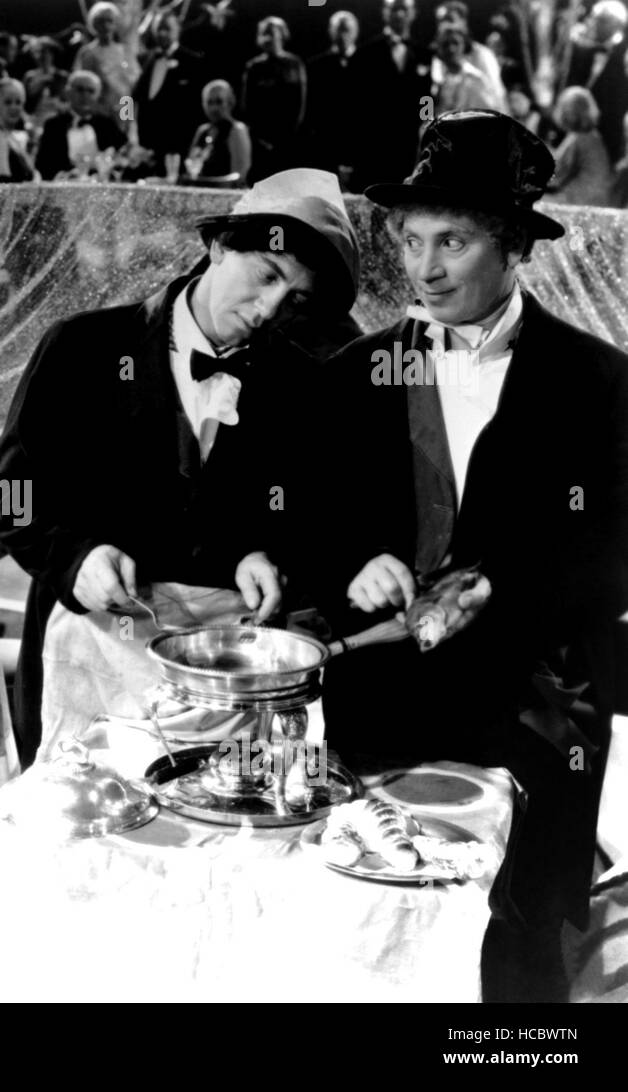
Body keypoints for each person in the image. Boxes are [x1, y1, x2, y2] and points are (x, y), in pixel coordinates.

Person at [319, 110, 628, 1002]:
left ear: (515, 248)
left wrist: (503, 588)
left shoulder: (597, 381)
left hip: (529, 712)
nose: (424, 268)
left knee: (513, 958)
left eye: (451, 240)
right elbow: (312, 520)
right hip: (380, 709)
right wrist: (356, 558)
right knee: (375, 936)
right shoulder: (358, 374)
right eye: (411, 240)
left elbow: (615, 553)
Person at [0, 168, 361, 765]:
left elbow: (301, 515)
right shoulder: (81, 349)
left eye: (294, 297)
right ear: (218, 245)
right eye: (266, 275)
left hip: (221, 675)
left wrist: (260, 553)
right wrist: (72, 556)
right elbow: (12, 500)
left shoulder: (300, 384)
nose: (270, 309)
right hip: (94, 648)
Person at [350, 0, 433, 192]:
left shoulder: (425, 53)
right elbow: (354, 103)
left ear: (413, 13)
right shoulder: (365, 53)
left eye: (404, 9)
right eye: (395, 8)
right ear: (385, 13)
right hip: (373, 141)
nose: (400, 15)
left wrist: (426, 123)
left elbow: (427, 97)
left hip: (410, 141)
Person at [132, 10, 206, 174]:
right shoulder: (145, 59)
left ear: (178, 30)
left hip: (177, 149)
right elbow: (128, 98)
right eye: (158, 28)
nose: (162, 33)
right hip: (145, 149)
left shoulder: (193, 61)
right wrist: (128, 127)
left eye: (167, 28)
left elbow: (197, 110)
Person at [240, 15, 306, 182]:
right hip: (260, 140)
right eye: (264, 33)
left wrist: (289, 137)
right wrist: (259, 138)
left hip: (288, 139)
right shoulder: (254, 67)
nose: (268, 37)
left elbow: (300, 103)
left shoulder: (294, 64)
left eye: (271, 32)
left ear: (282, 34)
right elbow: (248, 105)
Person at [560, 0, 628, 161]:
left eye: (599, 20)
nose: (593, 23)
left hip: (606, 132)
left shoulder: (623, 53)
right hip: (579, 127)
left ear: (614, 25)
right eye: (594, 18)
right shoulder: (587, 49)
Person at [35, 69, 124, 180]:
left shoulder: (107, 125)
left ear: (98, 96)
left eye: (90, 91)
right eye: (80, 89)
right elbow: (43, 165)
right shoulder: (54, 126)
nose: (85, 95)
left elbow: (123, 156)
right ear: (68, 92)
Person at [305, 10, 360, 182]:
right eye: (339, 29)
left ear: (355, 32)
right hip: (326, 142)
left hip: (359, 140)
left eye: (347, 29)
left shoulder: (369, 62)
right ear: (331, 32)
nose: (343, 35)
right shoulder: (316, 66)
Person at [548, 85, 615, 205]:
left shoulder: (577, 138)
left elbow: (555, 174)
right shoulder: (594, 136)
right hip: (600, 200)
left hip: (578, 200)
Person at [74, 2, 139, 119]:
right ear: (94, 24)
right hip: (99, 112)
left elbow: (135, 81)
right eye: (101, 21)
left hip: (125, 108)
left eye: (110, 21)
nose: (106, 26)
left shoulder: (125, 51)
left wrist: (128, 114)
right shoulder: (88, 53)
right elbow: (80, 85)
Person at [187, 79, 251, 185]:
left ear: (230, 103)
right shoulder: (203, 131)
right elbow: (191, 166)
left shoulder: (236, 130)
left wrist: (204, 183)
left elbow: (238, 177)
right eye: (209, 102)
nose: (214, 108)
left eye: (219, 102)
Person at [433, 22, 502, 114]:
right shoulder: (436, 80)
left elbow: (488, 114)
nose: (451, 49)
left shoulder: (476, 79)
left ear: (464, 46)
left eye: (455, 43)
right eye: (445, 44)